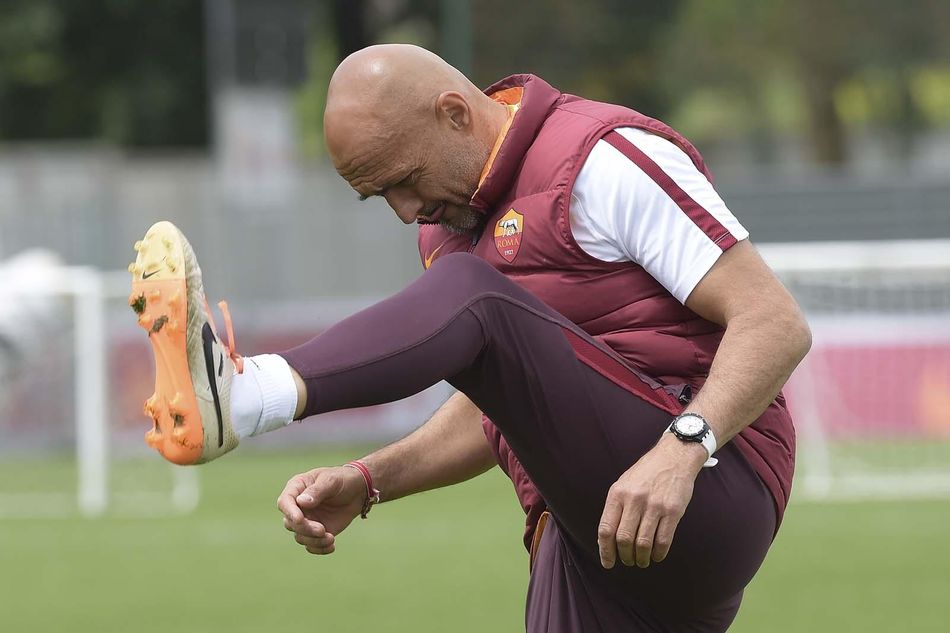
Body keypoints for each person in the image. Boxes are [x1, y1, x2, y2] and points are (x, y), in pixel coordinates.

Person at [128, 44, 811, 631]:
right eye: (378, 197)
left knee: (473, 297)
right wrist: (368, 480)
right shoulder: (447, 231)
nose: (404, 211)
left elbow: (775, 321)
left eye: (403, 180)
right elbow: (499, 408)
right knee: (473, 298)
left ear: (454, 114)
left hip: (709, 486)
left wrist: (682, 449)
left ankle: (247, 397)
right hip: (584, 534)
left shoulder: (604, 159)